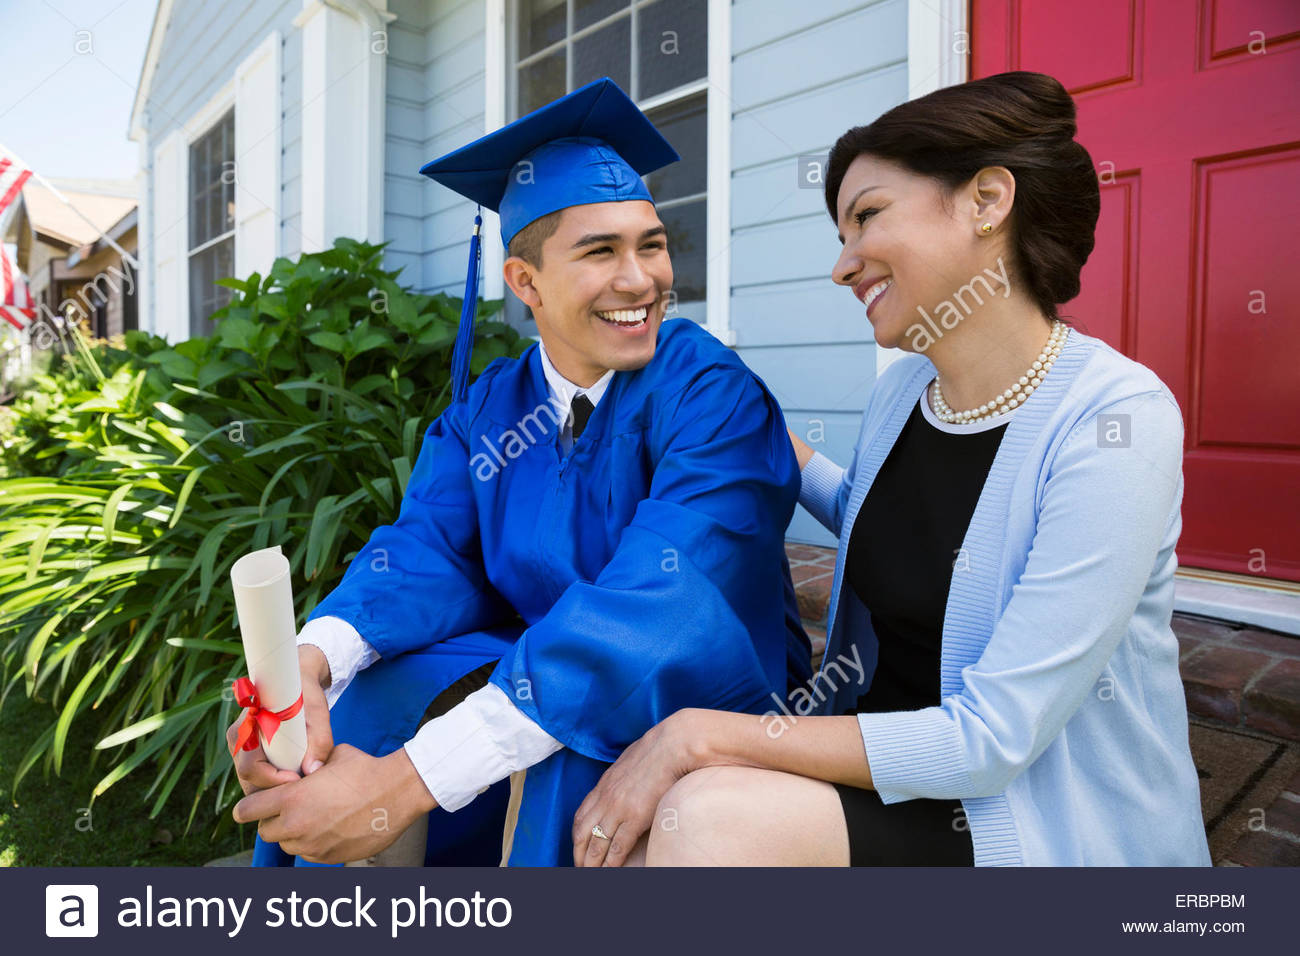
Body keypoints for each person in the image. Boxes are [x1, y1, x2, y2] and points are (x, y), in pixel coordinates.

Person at [570, 71, 1211, 867]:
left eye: (867, 216)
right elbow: (900, 523)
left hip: (1025, 814)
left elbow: (991, 741)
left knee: (699, 818)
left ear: (986, 200)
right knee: (627, 828)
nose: (844, 267)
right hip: (893, 765)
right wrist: (752, 429)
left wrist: (696, 737)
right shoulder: (907, 390)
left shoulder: (1115, 421)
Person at [227, 77, 811, 868]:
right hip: (550, 652)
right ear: (524, 283)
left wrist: (406, 783)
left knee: (563, 741)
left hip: (698, 682)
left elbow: (670, 602)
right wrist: (317, 659)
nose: (641, 281)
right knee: (373, 698)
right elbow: (429, 548)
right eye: (600, 252)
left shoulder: (708, 390)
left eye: (652, 244)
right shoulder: (489, 409)